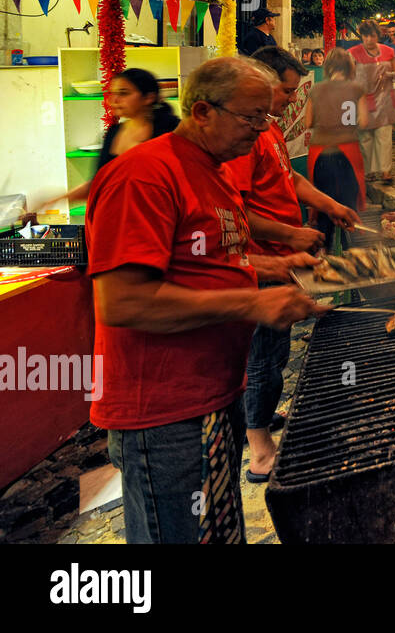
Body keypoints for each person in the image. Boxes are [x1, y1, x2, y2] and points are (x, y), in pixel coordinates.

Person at [86, 56, 327, 543]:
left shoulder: (213, 171)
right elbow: (123, 302)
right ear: (202, 111)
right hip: (162, 412)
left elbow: (211, 258)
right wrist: (251, 304)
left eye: (266, 119)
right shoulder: (144, 176)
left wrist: (273, 266)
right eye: (251, 118)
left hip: (214, 397)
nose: (261, 133)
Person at [229, 47, 360, 484]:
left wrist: (332, 205)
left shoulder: (269, 129)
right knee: (263, 353)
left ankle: (262, 416)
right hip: (262, 258)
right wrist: (289, 236)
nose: (291, 99)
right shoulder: (244, 138)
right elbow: (238, 210)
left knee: (277, 347)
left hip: (283, 257)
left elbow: (292, 179)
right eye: (285, 90)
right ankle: (259, 447)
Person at [44, 68, 179, 208]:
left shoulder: (171, 131)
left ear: (148, 97)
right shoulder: (114, 132)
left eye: (123, 93)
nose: (114, 100)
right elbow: (98, 183)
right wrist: (58, 199)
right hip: (120, 216)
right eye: (112, 93)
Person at [305, 47, 368, 253]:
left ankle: (322, 253)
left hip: (320, 153)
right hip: (347, 152)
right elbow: (364, 122)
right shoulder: (357, 89)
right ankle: (351, 252)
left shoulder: (315, 90)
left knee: (323, 204)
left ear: (328, 67)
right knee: (347, 204)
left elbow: (307, 123)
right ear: (349, 67)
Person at [347, 19, 395, 184]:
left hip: (384, 100)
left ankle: (385, 171)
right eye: (365, 36)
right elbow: (348, 77)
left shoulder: (389, 52)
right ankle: (368, 171)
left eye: (372, 36)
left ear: (378, 35)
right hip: (362, 101)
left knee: (384, 137)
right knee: (365, 139)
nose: (368, 40)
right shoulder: (352, 53)